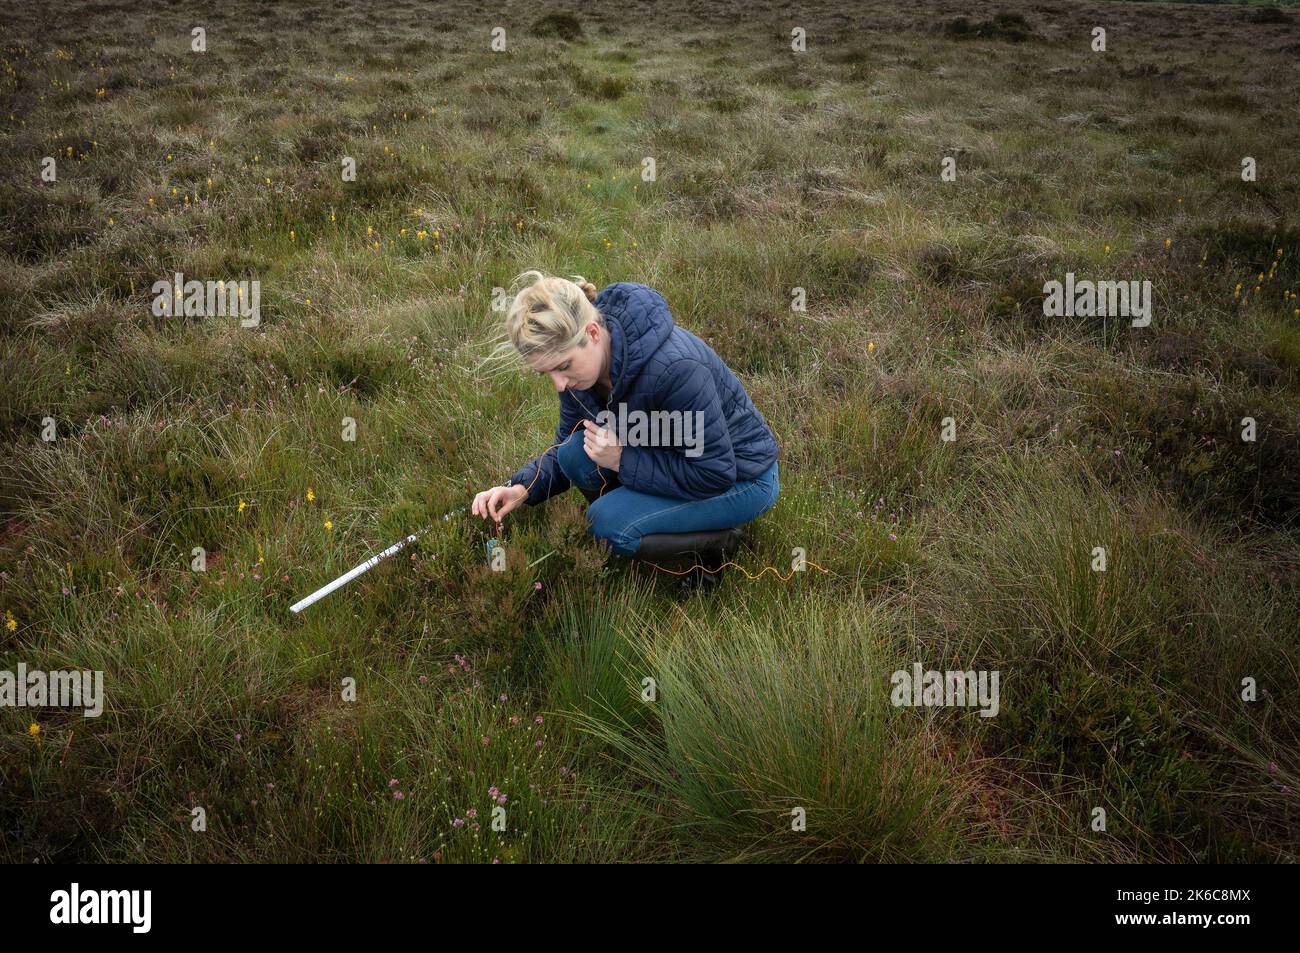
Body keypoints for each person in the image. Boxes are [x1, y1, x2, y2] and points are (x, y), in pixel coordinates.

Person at [472, 271, 779, 584]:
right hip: (668, 456)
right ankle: (645, 517)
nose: (560, 384)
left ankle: (719, 543)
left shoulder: (676, 370)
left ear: (593, 333)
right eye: (547, 373)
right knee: (574, 454)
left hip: (742, 478)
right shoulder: (579, 377)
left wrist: (622, 460)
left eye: (563, 366)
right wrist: (522, 488)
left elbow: (714, 472)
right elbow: (566, 443)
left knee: (607, 524)